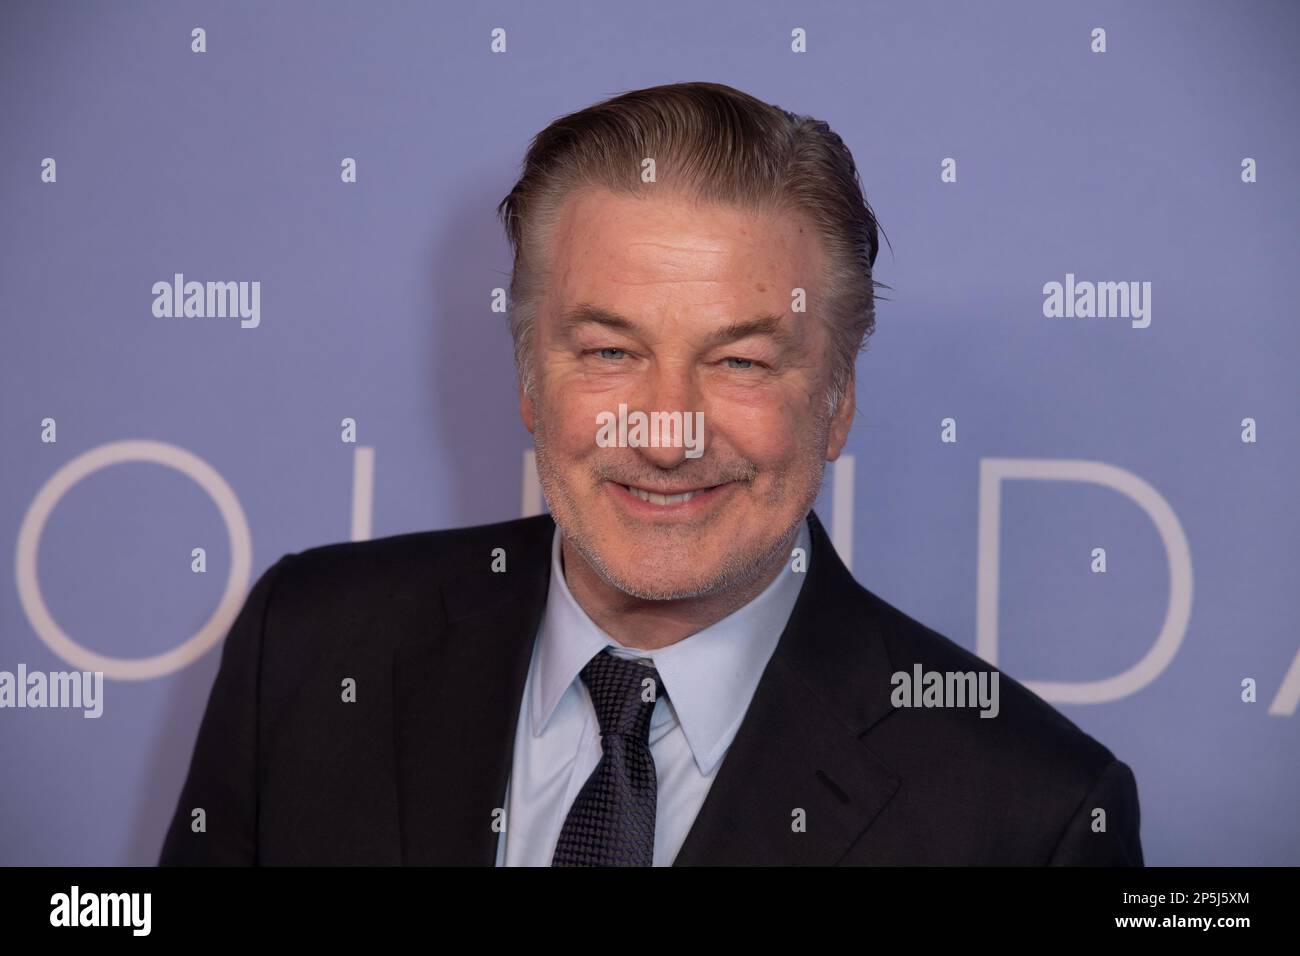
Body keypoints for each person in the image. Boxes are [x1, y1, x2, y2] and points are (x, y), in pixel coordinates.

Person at [159, 81, 1142, 866]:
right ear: (529, 380)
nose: (667, 429)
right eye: (608, 351)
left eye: (741, 360)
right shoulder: (307, 646)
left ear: (837, 401)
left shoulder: (1029, 815)